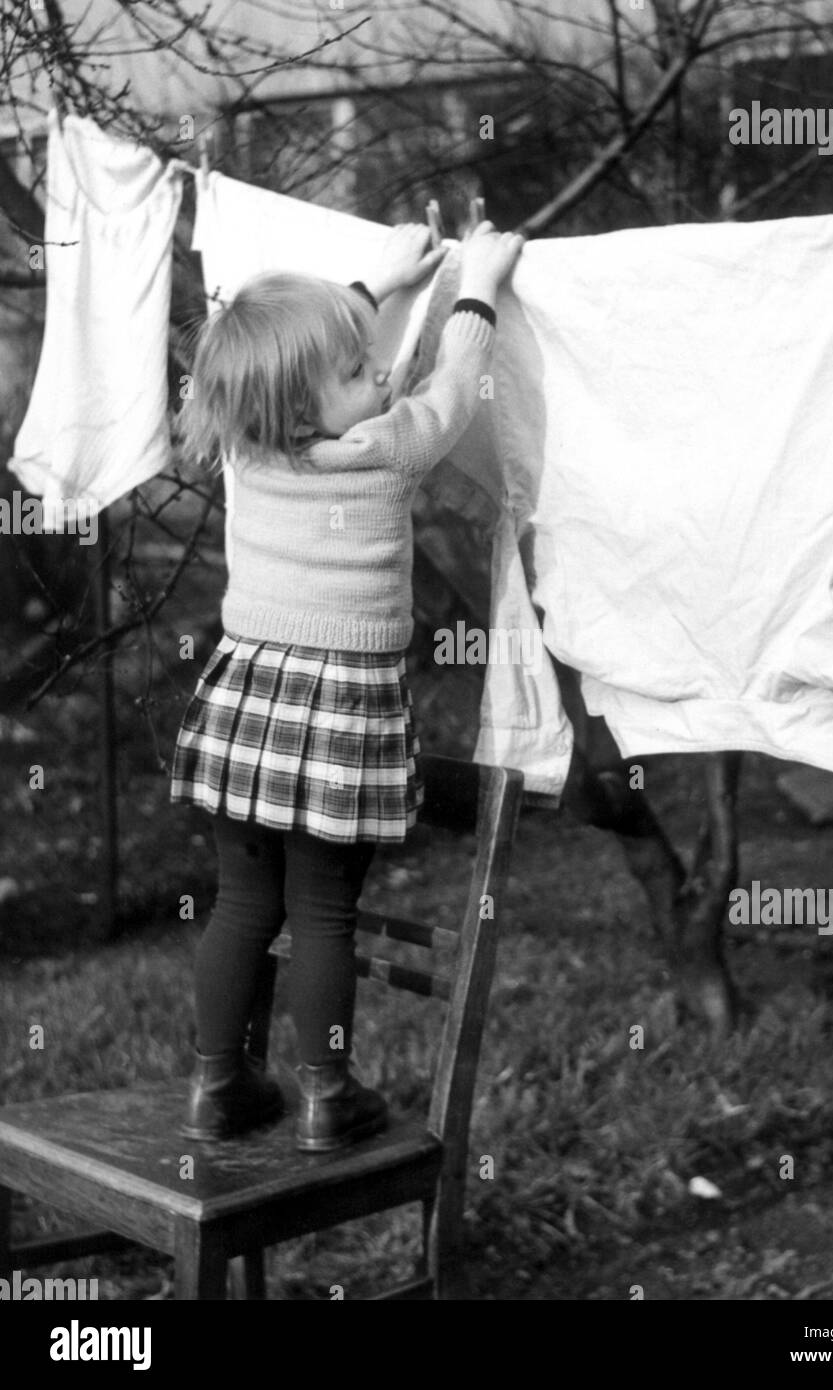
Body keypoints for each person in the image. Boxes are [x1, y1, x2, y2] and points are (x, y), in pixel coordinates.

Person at [170, 219, 524, 1151]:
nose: (379, 376)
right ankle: (326, 1097)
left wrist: (377, 285)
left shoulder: (253, 445)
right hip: (337, 713)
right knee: (323, 913)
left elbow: (290, 361)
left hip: (245, 698)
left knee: (243, 904)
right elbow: (451, 393)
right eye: (358, 371)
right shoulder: (386, 448)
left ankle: (216, 1089)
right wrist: (475, 289)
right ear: (299, 405)